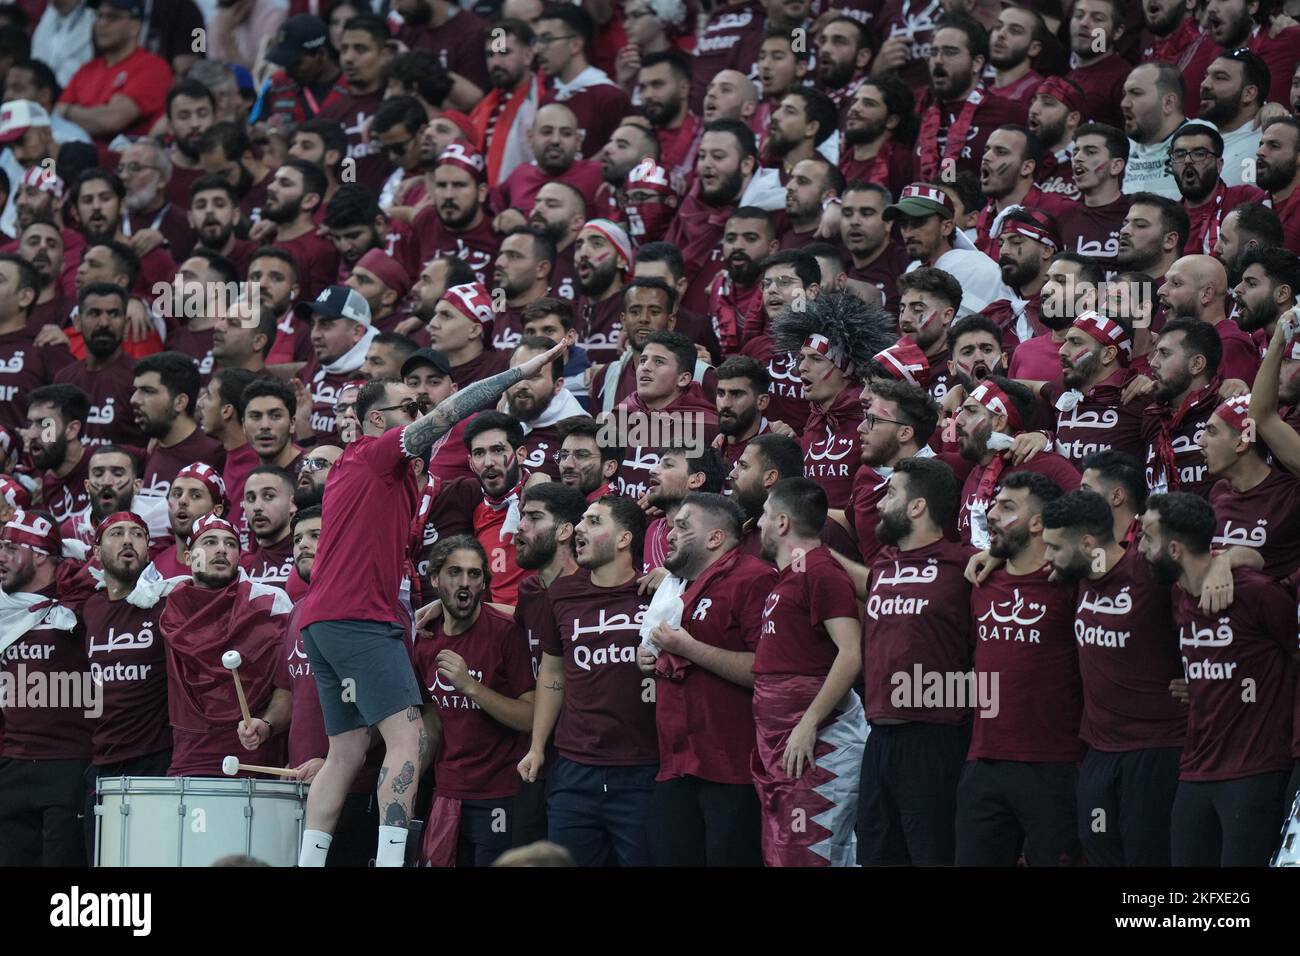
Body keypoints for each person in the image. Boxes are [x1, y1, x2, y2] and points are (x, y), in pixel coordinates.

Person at [294, 339, 563, 868]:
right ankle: (392, 862)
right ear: (377, 420)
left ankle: (308, 863)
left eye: (419, 408)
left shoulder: (364, 472)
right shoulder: (375, 456)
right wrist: (518, 373)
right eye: (408, 408)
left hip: (323, 623)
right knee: (408, 737)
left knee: (345, 752)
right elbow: (448, 414)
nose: (419, 413)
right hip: (358, 620)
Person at [1140, 492, 1295, 867]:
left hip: (1254, 772)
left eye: (1147, 537)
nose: (1140, 547)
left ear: (1174, 548)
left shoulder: (1256, 594)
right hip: (1195, 770)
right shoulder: (1179, 595)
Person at [1039, 490, 1184, 865]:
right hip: (1099, 753)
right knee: (1098, 845)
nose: (1047, 557)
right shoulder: (1078, 577)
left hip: (1155, 750)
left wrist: (1200, 679)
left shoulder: (1150, 574)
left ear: (1087, 544)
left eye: (1054, 547)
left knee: (1146, 857)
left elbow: (1211, 590)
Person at [637, 492, 776, 866]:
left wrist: (689, 649)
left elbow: (766, 670)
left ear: (715, 538)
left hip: (732, 771)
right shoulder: (675, 587)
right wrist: (652, 656)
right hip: (675, 762)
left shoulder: (754, 579)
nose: (669, 534)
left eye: (683, 527)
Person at [517, 494, 655, 866]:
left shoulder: (657, 594)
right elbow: (552, 672)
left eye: (594, 522)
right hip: (574, 772)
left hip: (643, 769)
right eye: (581, 521)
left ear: (624, 538)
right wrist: (537, 746)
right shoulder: (561, 594)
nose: (579, 528)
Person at [958, 471, 1082, 867]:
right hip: (983, 761)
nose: (992, 513)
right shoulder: (980, 582)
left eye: (1007, 506)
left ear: (1038, 523)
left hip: (1054, 766)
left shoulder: (1069, 585)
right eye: (994, 504)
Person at [750, 476, 866, 865]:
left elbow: (851, 653)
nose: (757, 524)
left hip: (819, 745)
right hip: (780, 744)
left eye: (765, 515)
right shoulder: (789, 577)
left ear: (782, 523)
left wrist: (808, 723)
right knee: (785, 853)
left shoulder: (821, 571)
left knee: (813, 851)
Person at [411, 536, 535, 867]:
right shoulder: (424, 639)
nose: (465, 583)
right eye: (454, 572)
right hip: (446, 792)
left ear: (484, 582)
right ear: (435, 579)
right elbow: (430, 722)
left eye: (474, 574)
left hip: (501, 792)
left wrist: (471, 686)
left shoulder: (506, 632)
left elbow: (532, 717)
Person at [158, 513, 292, 777]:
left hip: (256, 752)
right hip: (190, 756)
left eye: (230, 544)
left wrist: (267, 724)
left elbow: (290, 683)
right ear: (188, 557)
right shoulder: (168, 609)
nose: (221, 549)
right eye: (209, 542)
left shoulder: (270, 603)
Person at [0, 509, 90, 866]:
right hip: (12, 762)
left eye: (9, 547)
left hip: (68, 764)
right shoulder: (3, 607)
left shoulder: (82, 602)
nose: (0, 557)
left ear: (39, 554)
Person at [131, 351, 225, 500]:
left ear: (180, 402)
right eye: (136, 390)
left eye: (148, 391)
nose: (134, 399)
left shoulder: (214, 454)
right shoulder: (155, 447)